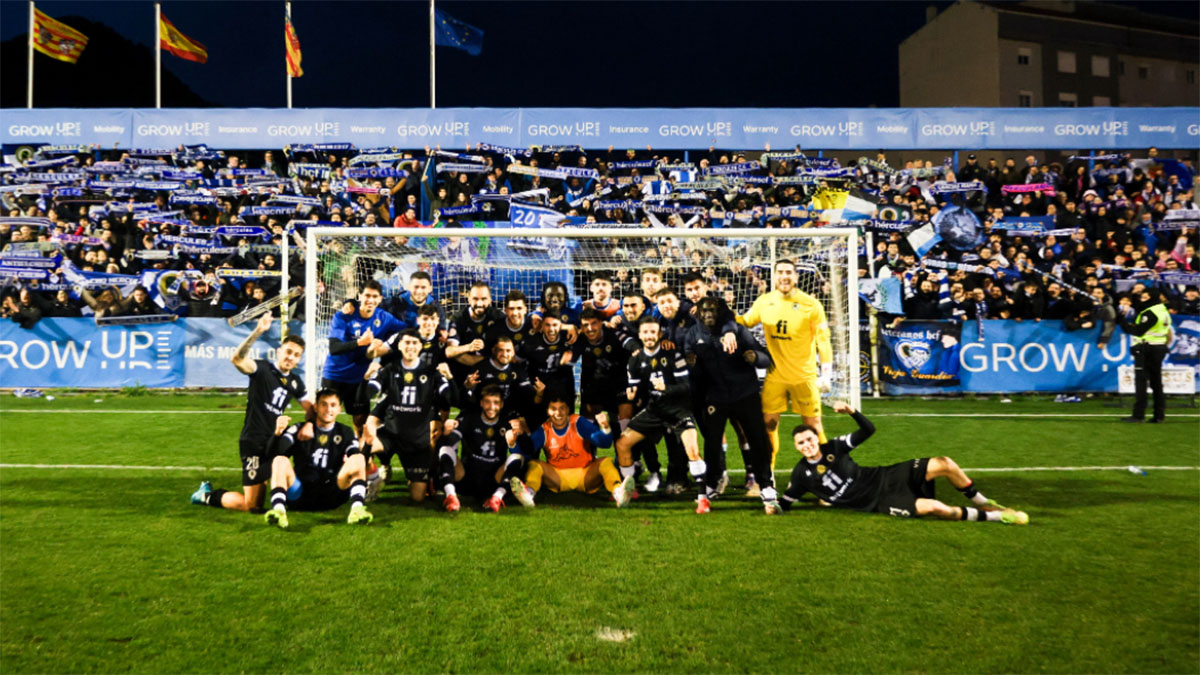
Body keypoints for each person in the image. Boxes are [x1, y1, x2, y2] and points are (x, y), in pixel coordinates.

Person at [781, 402, 1029, 524]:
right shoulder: (801, 474)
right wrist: (773, 506)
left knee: (945, 463)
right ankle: (1000, 518)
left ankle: (985, 504)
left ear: (817, 437)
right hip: (879, 502)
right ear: (796, 447)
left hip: (886, 476)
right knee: (935, 507)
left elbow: (868, 430)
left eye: (809, 439)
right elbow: (786, 502)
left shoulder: (834, 446)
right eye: (801, 443)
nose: (807, 445)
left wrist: (852, 412)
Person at [192, 314, 312, 512]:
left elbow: (311, 408)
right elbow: (237, 359)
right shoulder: (262, 369)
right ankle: (205, 495)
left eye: (296, 354)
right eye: (288, 351)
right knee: (251, 505)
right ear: (279, 351)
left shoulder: (295, 382)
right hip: (254, 443)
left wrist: (308, 424)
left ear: (299, 359)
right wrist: (258, 331)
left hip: (275, 442)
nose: (290, 357)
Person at [736, 259, 834, 474]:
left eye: (789, 272)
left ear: (796, 276)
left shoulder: (811, 304)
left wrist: (826, 373)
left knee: (814, 427)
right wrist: (722, 317)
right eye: (780, 272)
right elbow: (745, 321)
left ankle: (825, 476)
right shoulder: (764, 301)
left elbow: (823, 340)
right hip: (775, 375)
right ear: (774, 276)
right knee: (768, 426)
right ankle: (766, 476)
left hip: (804, 377)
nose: (784, 276)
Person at [684, 297, 779, 513]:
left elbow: (767, 358)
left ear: (721, 313)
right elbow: (687, 362)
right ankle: (712, 483)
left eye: (713, 311)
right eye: (704, 311)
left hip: (745, 394)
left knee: (758, 439)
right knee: (712, 443)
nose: (708, 315)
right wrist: (690, 362)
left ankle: (766, 485)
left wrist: (754, 357)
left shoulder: (738, 330)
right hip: (715, 397)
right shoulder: (693, 334)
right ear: (698, 313)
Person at [613, 316, 710, 513]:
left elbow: (687, 387)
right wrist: (631, 393)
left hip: (678, 409)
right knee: (622, 443)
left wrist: (666, 389)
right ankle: (629, 490)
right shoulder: (634, 360)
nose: (649, 336)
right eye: (645, 332)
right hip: (654, 410)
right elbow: (634, 387)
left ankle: (703, 498)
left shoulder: (673, 355)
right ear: (639, 335)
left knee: (692, 450)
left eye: (652, 332)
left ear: (659, 334)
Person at [361, 329, 456, 504]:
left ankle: (424, 479)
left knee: (417, 498)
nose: (410, 346)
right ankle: (373, 479)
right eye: (406, 342)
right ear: (399, 345)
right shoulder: (390, 369)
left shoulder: (431, 372)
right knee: (363, 445)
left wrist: (449, 378)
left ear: (421, 346)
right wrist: (367, 378)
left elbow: (451, 398)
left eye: (414, 343)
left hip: (417, 442)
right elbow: (368, 394)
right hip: (391, 434)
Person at [262, 389, 374, 528]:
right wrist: (277, 434)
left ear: (339, 409)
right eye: (324, 404)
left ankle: (357, 509)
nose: (328, 409)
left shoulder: (345, 432)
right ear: (315, 407)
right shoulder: (299, 429)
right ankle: (279, 510)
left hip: (333, 494)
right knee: (280, 460)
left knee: (357, 458)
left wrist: (368, 444)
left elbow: (358, 462)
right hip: (300, 493)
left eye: (333, 405)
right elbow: (273, 455)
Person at [509, 397, 626, 508]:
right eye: (553, 409)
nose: (558, 413)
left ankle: (618, 492)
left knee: (605, 462)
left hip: (586, 475)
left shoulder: (578, 422)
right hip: (557, 477)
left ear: (568, 410)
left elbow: (604, 443)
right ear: (547, 411)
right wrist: (512, 444)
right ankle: (528, 494)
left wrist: (605, 427)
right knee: (534, 464)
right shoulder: (544, 430)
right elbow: (526, 452)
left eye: (562, 408)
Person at [321, 280, 404, 434]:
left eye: (374, 296)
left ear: (380, 299)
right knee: (324, 418)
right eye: (367, 295)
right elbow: (334, 348)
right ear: (359, 296)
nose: (370, 300)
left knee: (360, 421)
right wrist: (360, 342)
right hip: (335, 375)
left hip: (360, 377)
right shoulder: (344, 316)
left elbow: (406, 330)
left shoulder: (384, 318)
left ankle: (360, 455)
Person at [435, 385, 529, 513]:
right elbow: (449, 443)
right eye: (487, 402)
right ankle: (451, 497)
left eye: (496, 403)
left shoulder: (507, 421)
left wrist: (522, 434)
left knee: (517, 458)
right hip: (467, 478)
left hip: (494, 480)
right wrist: (446, 433)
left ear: (501, 404)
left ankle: (496, 498)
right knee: (446, 450)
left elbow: (529, 448)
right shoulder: (469, 418)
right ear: (481, 403)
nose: (491, 407)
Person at [1120, 287, 1173, 423]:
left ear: (1151, 298)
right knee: (1156, 382)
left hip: (1146, 349)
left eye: (1144, 298)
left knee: (1141, 382)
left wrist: (1121, 321)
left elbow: (1137, 331)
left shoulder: (1149, 313)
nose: (1141, 300)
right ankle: (1159, 415)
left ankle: (1138, 415)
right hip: (1159, 347)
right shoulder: (1163, 310)